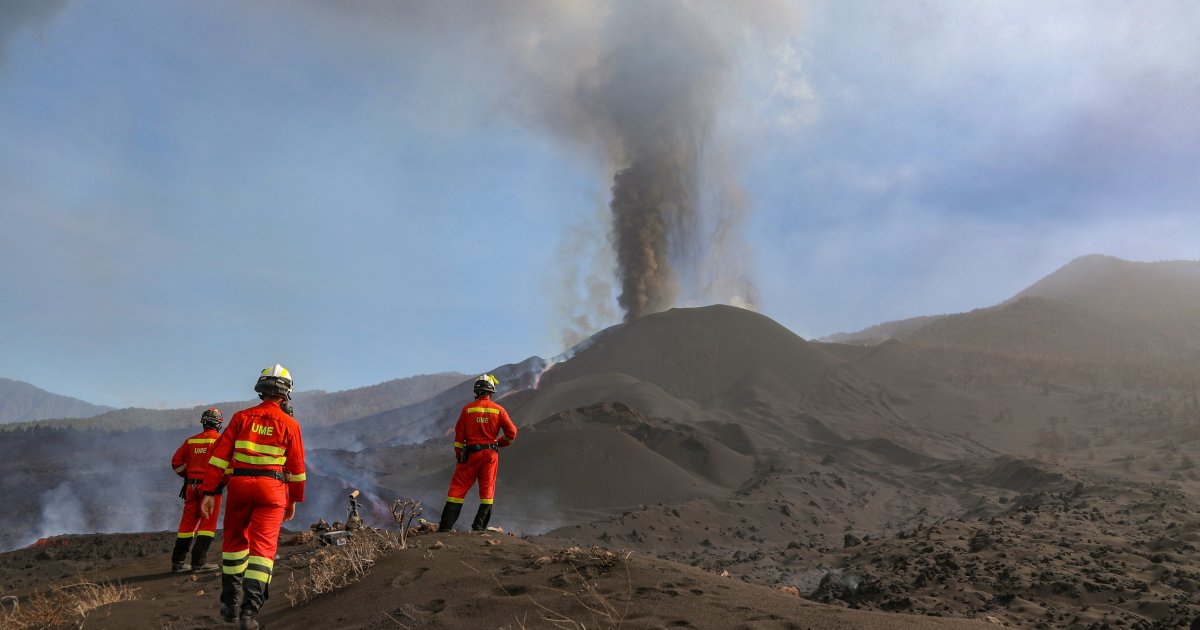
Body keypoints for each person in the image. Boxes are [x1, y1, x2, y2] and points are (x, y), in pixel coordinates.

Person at [199, 364, 306, 630]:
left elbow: (219, 457)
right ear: (286, 394)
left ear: (261, 389)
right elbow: (297, 469)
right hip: (272, 491)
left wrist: (210, 491)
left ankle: (230, 605)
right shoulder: (290, 424)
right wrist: (293, 499)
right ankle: (249, 614)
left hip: (239, 487)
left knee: (235, 543)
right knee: (263, 550)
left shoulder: (240, 418)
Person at [437, 374, 517, 532]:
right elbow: (512, 433)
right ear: (491, 392)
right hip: (490, 455)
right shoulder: (499, 410)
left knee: (457, 489)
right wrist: (498, 444)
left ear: (476, 390)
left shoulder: (467, 410)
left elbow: (459, 436)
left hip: (470, 454)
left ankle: (445, 526)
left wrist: (459, 455)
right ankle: (479, 526)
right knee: (487, 489)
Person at [169, 407, 224, 572]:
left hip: (191, 487)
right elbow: (228, 468)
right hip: (211, 489)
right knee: (207, 524)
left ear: (203, 423)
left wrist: (188, 476)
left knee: (187, 524)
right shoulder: (221, 441)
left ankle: (178, 562)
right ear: (219, 424)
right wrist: (221, 483)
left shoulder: (191, 441)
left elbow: (176, 463)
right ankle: (198, 563)